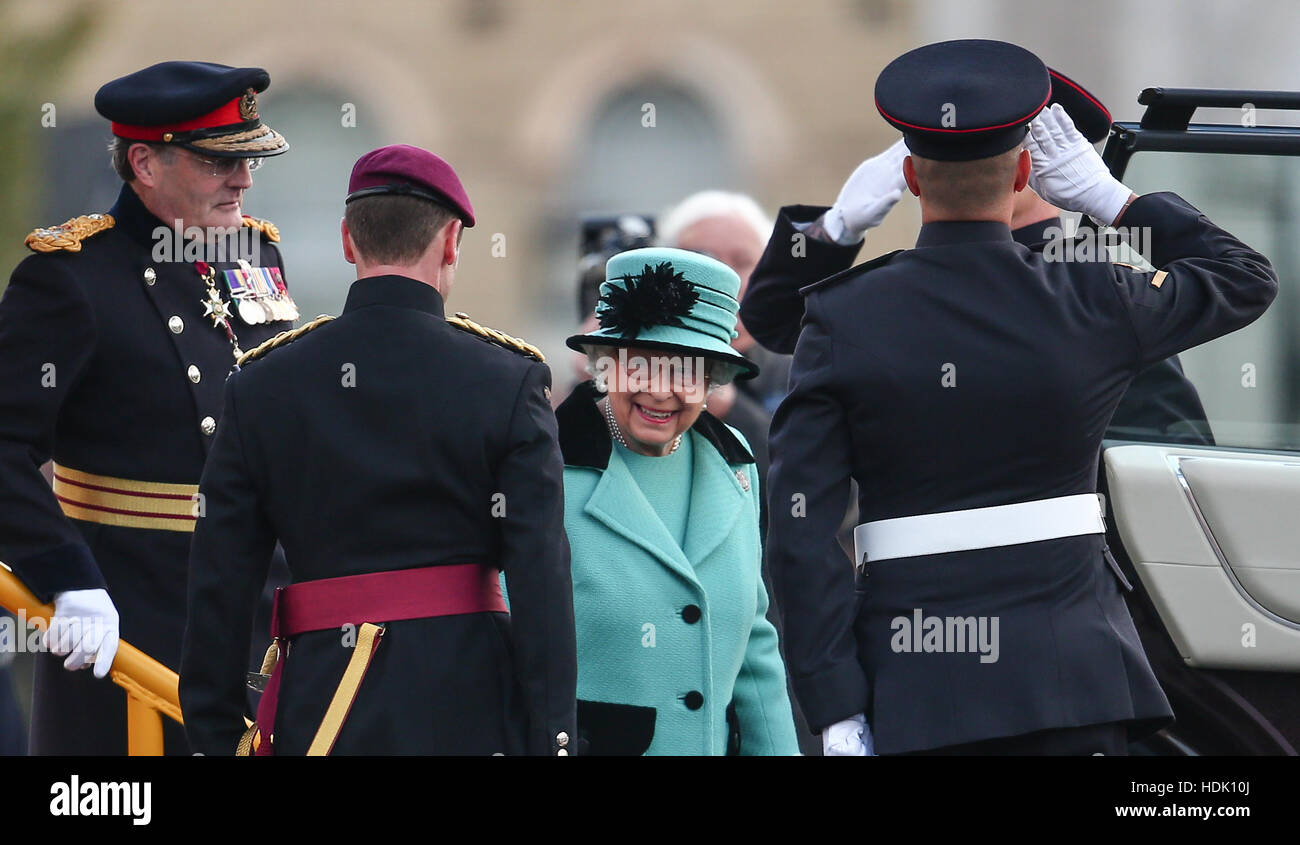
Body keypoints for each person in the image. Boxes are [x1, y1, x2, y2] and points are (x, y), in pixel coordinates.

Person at [765, 39, 1277, 756]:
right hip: (1076, 681)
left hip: (919, 690)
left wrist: (835, 704)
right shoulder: (1097, 298)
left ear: (910, 177)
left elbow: (799, 531)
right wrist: (1114, 200)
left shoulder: (844, 316)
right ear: (1031, 169)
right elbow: (1244, 276)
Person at [180, 144, 577, 756]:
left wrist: (214, 736)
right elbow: (540, 578)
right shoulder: (509, 379)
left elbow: (220, 584)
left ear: (347, 240)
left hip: (323, 709)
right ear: (450, 241)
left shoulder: (261, 383)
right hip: (468, 708)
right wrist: (552, 738)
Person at [0, 61, 293, 755]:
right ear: (145, 163)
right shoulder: (71, 275)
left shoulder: (254, 252)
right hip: (133, 615)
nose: (243, 180)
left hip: (260, 610)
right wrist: (65, 576)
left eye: (247, 159)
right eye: (219, 162)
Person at [741, 68, 1214, 448]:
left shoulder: (1092, 280)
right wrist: (837, 226)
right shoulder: (907, 280)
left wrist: (1112, 201)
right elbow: (778, 326)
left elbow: (1169, 445)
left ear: (1036, 160)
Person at [558, 247, 799, 755]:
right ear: (605, 365)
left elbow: (754, 646)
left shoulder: (738, 466)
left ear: (712, 379)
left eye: (686, 372)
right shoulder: (546, 471)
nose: (661, 391)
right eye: (641, 366)